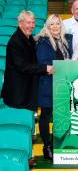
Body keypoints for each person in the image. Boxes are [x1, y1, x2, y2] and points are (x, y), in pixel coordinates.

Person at [1, 10, 54, 167]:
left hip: (26, 90)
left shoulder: (28, 38)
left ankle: (27, 156)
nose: (31, 25)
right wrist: (45, 68)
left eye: (33, 22)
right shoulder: (15, 41)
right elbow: (22, 66)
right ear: (20, 23)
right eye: (28, 22)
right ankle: (21, 157)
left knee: (27, 125)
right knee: (19, 126)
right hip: (18, 93)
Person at [35, 14, 71, 160]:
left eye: (58, 24)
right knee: (46, 115)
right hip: (48, 84)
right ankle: (47, 146)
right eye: (52, 24)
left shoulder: (64, 40)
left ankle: (60, 143)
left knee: (61, 116)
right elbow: (42, 62)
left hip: (62, 84)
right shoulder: (43, 41)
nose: (55, 27)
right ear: (48, 26)